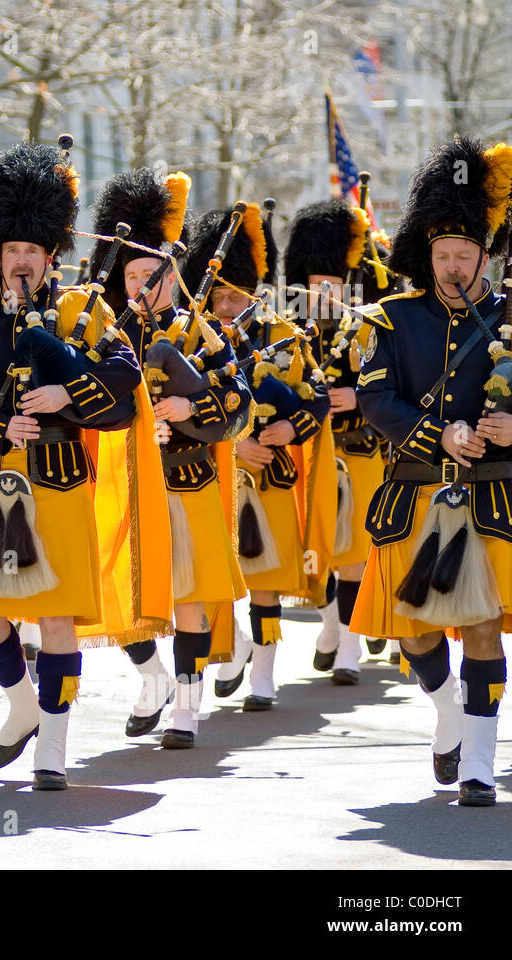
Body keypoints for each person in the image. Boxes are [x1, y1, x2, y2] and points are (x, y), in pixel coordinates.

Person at [0, 142, 163, 789]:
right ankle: (22, 709)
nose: (21, 262)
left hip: (59, 481)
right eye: (10, 252)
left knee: (56, 617)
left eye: (31, 251)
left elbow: (124, 373)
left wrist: (67, 392)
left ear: (50, 253)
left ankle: (53, 748)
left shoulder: (80, 313)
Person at [351, 137, 512, 806]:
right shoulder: (393, 318)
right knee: (413, 629)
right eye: (442, 255)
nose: (452, 266)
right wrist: (437, 433)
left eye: (464, 256)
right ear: (427, 254)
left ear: (484, 255)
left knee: (479, 624)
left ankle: (478, 758)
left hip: (489, 497)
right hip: (413, 491)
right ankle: (446, 709)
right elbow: (372, 398)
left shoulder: (507, 319)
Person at [89, 168, 252, 747]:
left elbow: (238, 406)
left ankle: (187, 710)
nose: (139, 286)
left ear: (170, 275)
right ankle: (153, 678)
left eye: (149, 275)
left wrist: (188, 410)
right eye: (130, 276)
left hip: (187, 485)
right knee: (121, 596)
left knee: (187, 604)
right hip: (126, 485)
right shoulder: (106, 338)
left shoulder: (202, 332)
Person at [185, 204, 335, 712]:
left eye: (236, 294)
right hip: (214, 478)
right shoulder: (191, 341)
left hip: (271, 475)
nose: (227, 304)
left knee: (266, 584)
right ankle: (232, 651)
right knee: (214, 580)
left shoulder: (282, 335)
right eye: (219, 294)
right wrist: (230, 445)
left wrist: (294, 425)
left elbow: (315, 396)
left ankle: (265, 671)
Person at [284, 197, 394, 684]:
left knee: (354, 550)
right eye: (315, 284)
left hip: (362, 448)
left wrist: (359, 395)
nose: (323, 292)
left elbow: (399, 384)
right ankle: (332, 624)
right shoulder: (291, 330)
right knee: (318, 547)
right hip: (311, 451)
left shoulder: (371, 326)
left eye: (331, 283)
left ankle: (349, 644)